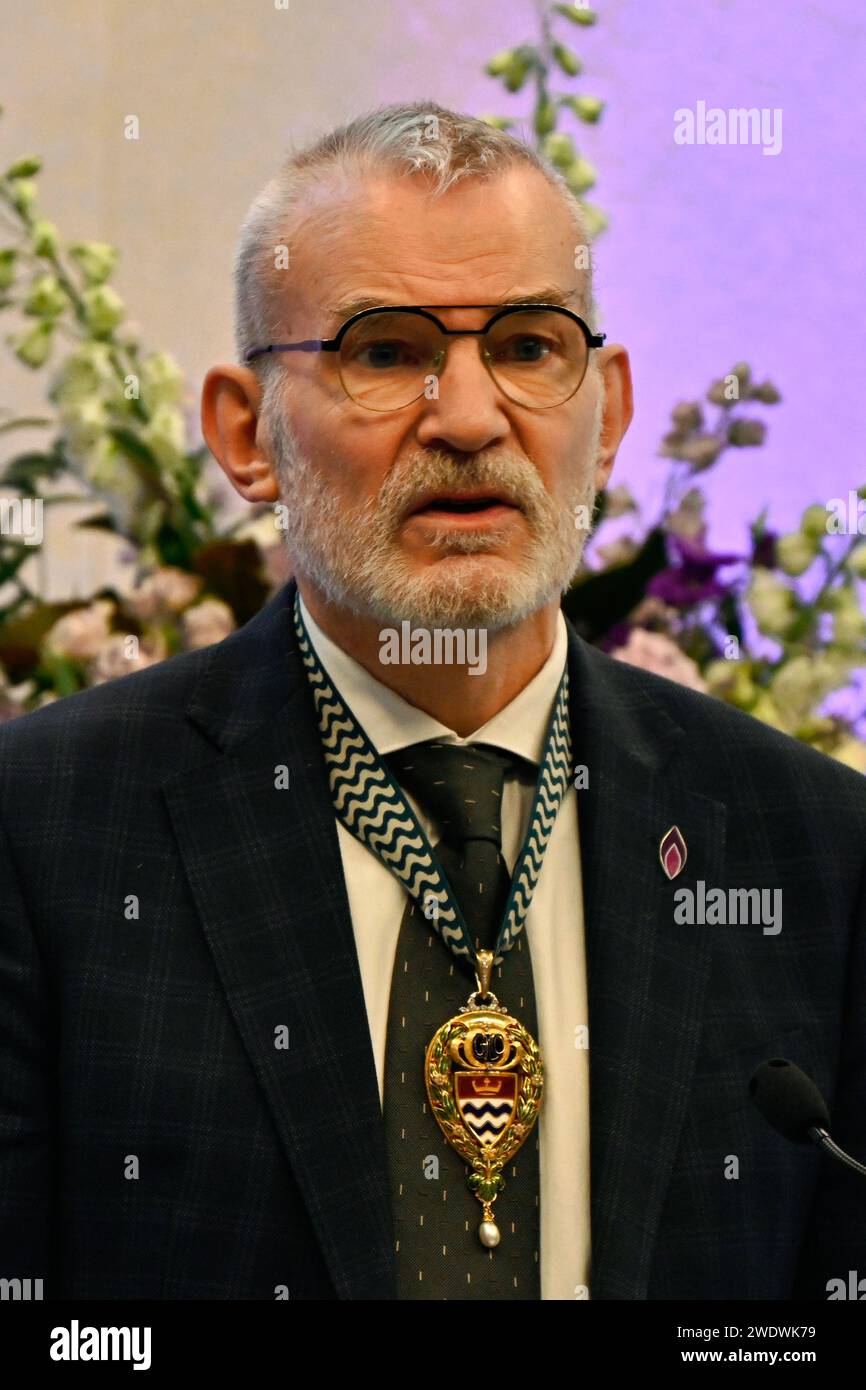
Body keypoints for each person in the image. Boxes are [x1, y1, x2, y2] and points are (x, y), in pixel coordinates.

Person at [0, 102, 864, 1302]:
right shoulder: (42, 832)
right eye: (385, 351)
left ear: (605, 415)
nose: (466, 419)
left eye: (524, 347)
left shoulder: (813, 847)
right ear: (246, 437)